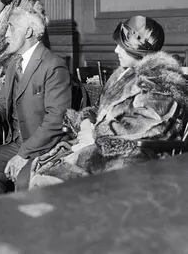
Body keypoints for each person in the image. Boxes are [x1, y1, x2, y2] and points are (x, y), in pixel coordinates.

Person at [29, 15, 188, 189]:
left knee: (50, 185)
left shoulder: (159, 83)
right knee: (41, 177)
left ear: (137, 48)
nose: (115, 51)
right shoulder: (124, 75)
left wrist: (95, 135)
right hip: (105, 151)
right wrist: (85, 123)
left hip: (135, 159)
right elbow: (98, 110)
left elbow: (143, 128)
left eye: (121, 46)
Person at [0, 6, 71, 197]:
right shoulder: (14, 64)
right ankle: (7, 219)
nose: (6, 34)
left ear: (28, 32)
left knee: (24, 180)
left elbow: (56, 120)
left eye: (10, 28)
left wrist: (23, 154)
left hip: (46, 147)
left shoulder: (53, 65)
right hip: (18, 143)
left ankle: (24, 223)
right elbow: (1, 105)